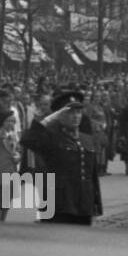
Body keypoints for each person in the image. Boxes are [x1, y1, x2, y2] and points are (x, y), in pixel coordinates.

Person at [23, 91, 101, 225]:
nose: (76, 116)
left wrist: (96, 206)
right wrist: (48, 120)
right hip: (59, 205)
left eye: (78, 112)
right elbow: (28, 140)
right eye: (70, 112)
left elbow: (92, 177)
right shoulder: (51, 137)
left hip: (83, 206)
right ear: (59, 115)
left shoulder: (87, 139)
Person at [0, 109, 21, 222]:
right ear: (3, 122)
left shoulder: (14, 136)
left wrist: (18, 157)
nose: (11, 123)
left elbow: (18, 150)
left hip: (11, 169)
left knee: (8, 196)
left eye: (13, 121)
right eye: (8, 121)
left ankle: (3, 219)